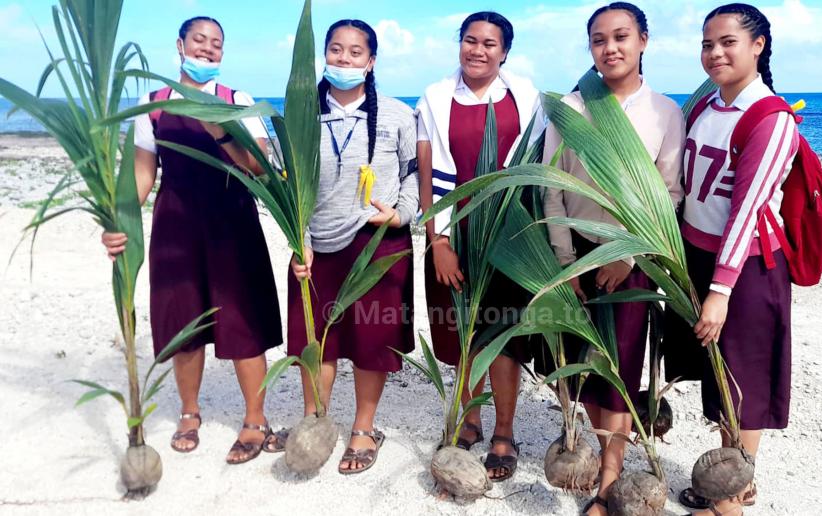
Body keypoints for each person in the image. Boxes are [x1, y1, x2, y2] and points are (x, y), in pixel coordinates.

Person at [101, 16, 284, 464]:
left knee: (241, 319)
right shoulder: (154, 102)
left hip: (232, 221)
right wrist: (119, 220)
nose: (207, 49)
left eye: (216, 44)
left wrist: (219, 126)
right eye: (199, 40)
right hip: (176, 222)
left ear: (223, 53)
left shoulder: (236, 100)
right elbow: (144, 171)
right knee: (185, 320)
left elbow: (257, 165)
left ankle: (255, 419)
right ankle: (189, 412)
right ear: (180, 46)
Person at [541, 3, 685, 514]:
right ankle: (595, 458)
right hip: (575, 253)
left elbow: (669, 194)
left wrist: (628, 255)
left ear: (643, 40)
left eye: (621, 36)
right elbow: (551, 191)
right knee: (584, 367)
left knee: (620, 369)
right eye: (599, 40)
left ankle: (608, 479)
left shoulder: (666, 112)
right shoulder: (568, 109)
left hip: (632, 258)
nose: (611, 48)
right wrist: (563, 260)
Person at [670, 4, 799, 515]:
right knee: (719, 377)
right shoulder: (705, 109)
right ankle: (731, 481)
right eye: (707, 44)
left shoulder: (770, 119)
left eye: (727, 42)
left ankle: (730, 495)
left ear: (758, 46)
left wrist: (719, 291)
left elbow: (745, 212)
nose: (715, 53)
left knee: (742, 382)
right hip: (700, 257)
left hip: (745, 271)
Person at [416, 11, 545, 482]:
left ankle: (505, 432)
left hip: (509, 235)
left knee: (503, 336)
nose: (478, 50)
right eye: (470, 41)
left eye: (490, 44)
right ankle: (470, 420)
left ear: (504, 52)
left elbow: (539, 167)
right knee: (462, 332)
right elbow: (429, 173)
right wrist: (438, 240)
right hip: (455, 231)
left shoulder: (527, 97)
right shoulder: (433, 97)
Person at [287, 19, 418, 475]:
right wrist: (298, 241)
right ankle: (315, 421)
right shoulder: (300, 115)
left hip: (377, 244)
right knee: (315, 339)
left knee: (369, 340)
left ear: (371, 60)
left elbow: (414, 174)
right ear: (324, 56)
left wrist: (401, 213)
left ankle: (364, 427)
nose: (344, 59)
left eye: (355, 52)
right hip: (315, 247)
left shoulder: (399, 115)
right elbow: (291, 186)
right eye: (336, 50)